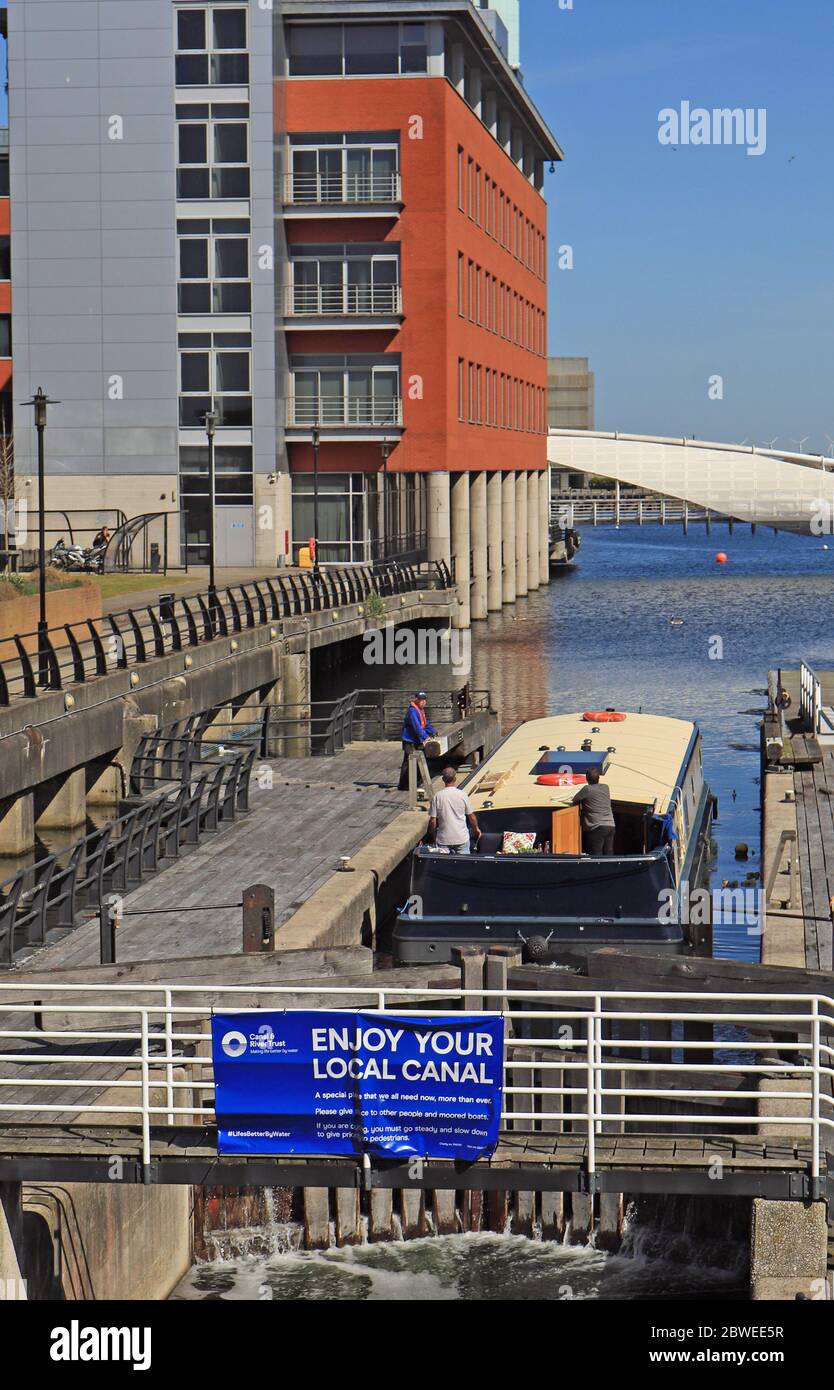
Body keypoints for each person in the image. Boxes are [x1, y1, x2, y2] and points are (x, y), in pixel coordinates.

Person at [428, 767, 481, 854]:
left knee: (444, 865)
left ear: (443, 779)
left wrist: (434, 836)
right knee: (464, 865)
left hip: (443, 839)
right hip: (461, 838)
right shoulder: (462, 795)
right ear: (455, 779)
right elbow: (471, 817)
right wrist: (476, 830)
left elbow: (433, 821)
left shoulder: (437, 796)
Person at [571, 766, 616, 855]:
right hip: (611, 825)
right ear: (599, 778)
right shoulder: (605, 787)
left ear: (587, 779)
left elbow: (575, 799)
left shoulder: (587, 789)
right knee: (609, 853)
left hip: (597, 826)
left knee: (596, 854)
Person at [398, 690, 437, 790]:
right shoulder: (412, 711)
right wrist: (426, 736)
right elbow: (417, 727)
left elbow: (425, 723)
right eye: (421, 700)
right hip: (409, 740)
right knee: (408, 761)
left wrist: (432, 731)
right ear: (416, 700)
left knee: (421, 759)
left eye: (424, 700)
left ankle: (417, 781)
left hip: (417, 739)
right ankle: (404, 785)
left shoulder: (420, 710)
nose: (423, 702)